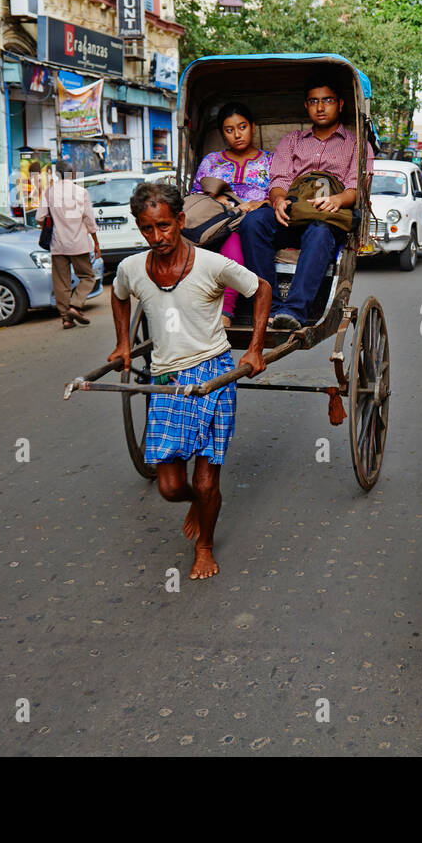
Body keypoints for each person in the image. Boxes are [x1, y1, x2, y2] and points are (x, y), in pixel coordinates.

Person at [108, 182, 273, 581]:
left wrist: (254, 349)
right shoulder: (132, 268)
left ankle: (204, 547)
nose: (157, 237)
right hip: (168, 378)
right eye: (147, 229)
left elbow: (261, 288)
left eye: (164, 226)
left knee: (205, 479)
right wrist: (123, 344)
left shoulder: (211, 264)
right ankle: (198, 502)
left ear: (180, 221)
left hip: (213, 375)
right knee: (169, 486)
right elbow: (118, 295)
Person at [237, 67, 373, 330]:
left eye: (327, 100)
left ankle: (295, 311)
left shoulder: (357, 144)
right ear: (306, 106)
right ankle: (271, 307)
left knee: (320, 231)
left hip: (328, 219)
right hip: (292, 214)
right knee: (253, 223)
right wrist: (278, 201)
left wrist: (336, 200)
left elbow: (357, 188)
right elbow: (279, 181)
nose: (320, 107)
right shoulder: (293, 141)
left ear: (340, 104)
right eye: (314, 101)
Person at [191, 102, 273, 327]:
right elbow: (194, 197)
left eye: (242, 127)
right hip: (215, 222)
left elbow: (279, 195)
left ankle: (226, 311)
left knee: (239, 232)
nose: (237, 134)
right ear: (222, 133)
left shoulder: (270, 161)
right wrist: (215, 199)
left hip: (254, 224)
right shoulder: (211, 161)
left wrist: (259, 203)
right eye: (229, 130)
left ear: (253, 127)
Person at [36, 159, 101, 329]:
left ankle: (66, 318)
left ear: (57, 175)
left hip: (58, 244)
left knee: (61, 283)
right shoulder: (81, 192)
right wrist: (96, 243)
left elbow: (39, 218)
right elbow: (89, 220)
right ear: (72, 174)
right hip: (78, 243)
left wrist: (52, 228)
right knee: (87, 277)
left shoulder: (49, 192)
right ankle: (75, 305)